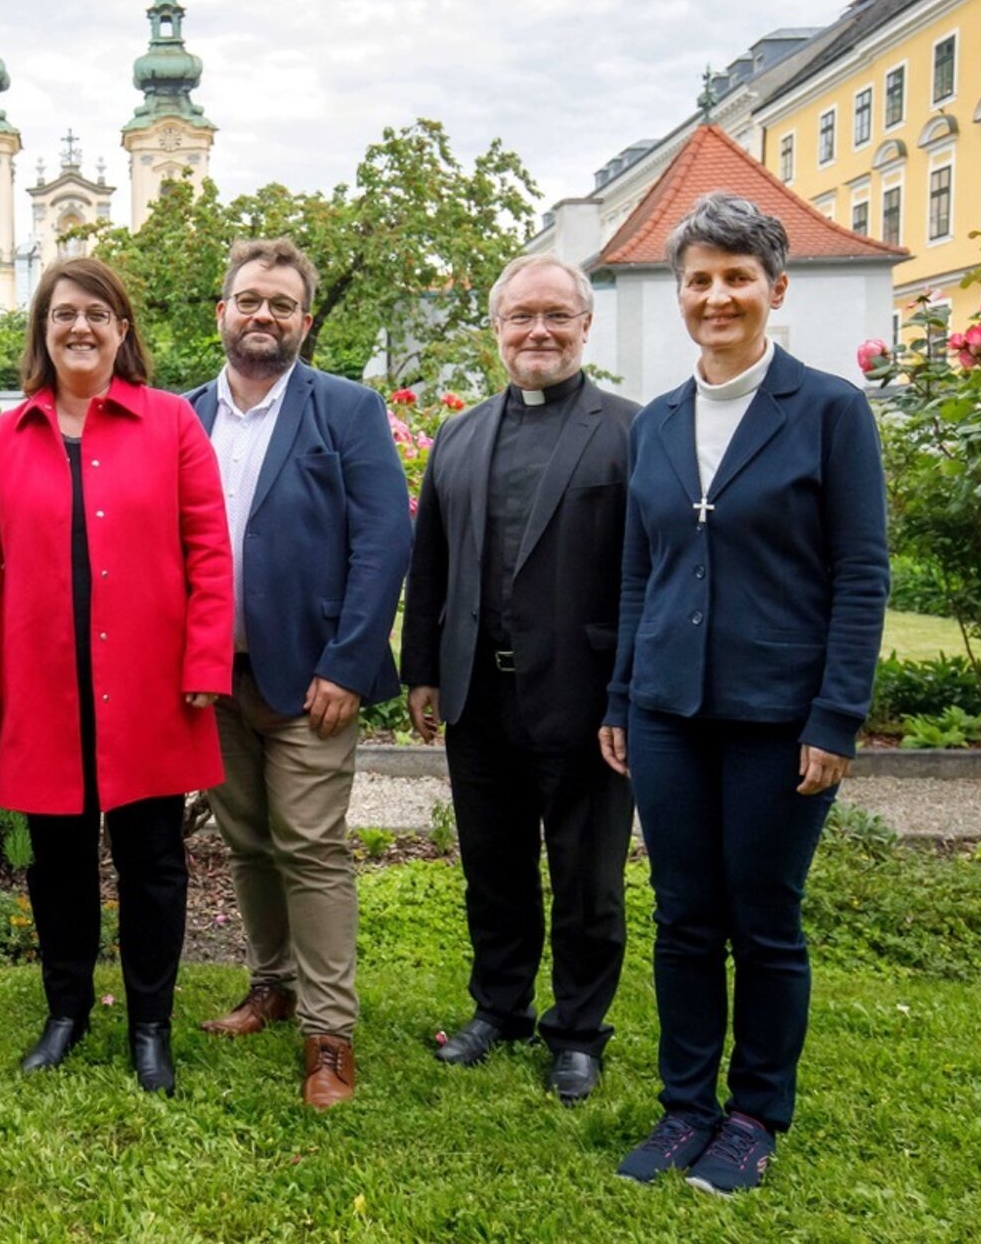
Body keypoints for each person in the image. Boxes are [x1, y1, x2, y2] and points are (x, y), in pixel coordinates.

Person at [601, 193, 888, 1194]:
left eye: (734, 277)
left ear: (773, 287)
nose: (714, 295)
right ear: (678, 294)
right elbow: (639, 568)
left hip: (780, 716)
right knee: (683, 915)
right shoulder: (660, 422)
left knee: (762, 918)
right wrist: (618, 698)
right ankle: (685, 1107)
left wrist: (834, 714)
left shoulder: (826, 410)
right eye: (697, 279)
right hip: (667, 712)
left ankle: (754, 1113)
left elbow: (860, 571)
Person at [0, 256, 233, 1095]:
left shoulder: (172, 422)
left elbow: (209, 551)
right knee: (59, 859)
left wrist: (205, 659)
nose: (80, 326)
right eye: (64, 313)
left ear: (122, 330)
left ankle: (151, 1024)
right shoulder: (9, 435)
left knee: (153, 859)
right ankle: (66, 1011)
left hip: (149, 679)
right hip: (43, 682)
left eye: (97, 314)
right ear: (43, 329)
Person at [400, 254, 638, 1105]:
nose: (538, 331)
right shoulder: (461, 435)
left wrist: (628, 694)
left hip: (585, 699)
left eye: (556, 316)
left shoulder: (628, 432)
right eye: (520, 317)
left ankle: (577, 1031)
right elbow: (429, 563)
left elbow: (645, 574)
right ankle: (499, 1007)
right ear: (496, 329)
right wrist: (420, 670)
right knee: (493, 868)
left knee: (588, 877)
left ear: (585, 326)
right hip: (479, 695)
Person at [183, 238, 411, 1109]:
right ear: (223, 313)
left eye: (281, 304)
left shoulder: (345, 409)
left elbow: (385, 538)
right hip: (213, 678)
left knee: (311, 846)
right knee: (245, 839)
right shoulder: (186, 412)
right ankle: (271, 985)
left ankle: (329, 1033)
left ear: (304, 321)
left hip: (314, 676)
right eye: (249, 300)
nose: (263, 315)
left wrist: (351, 662)